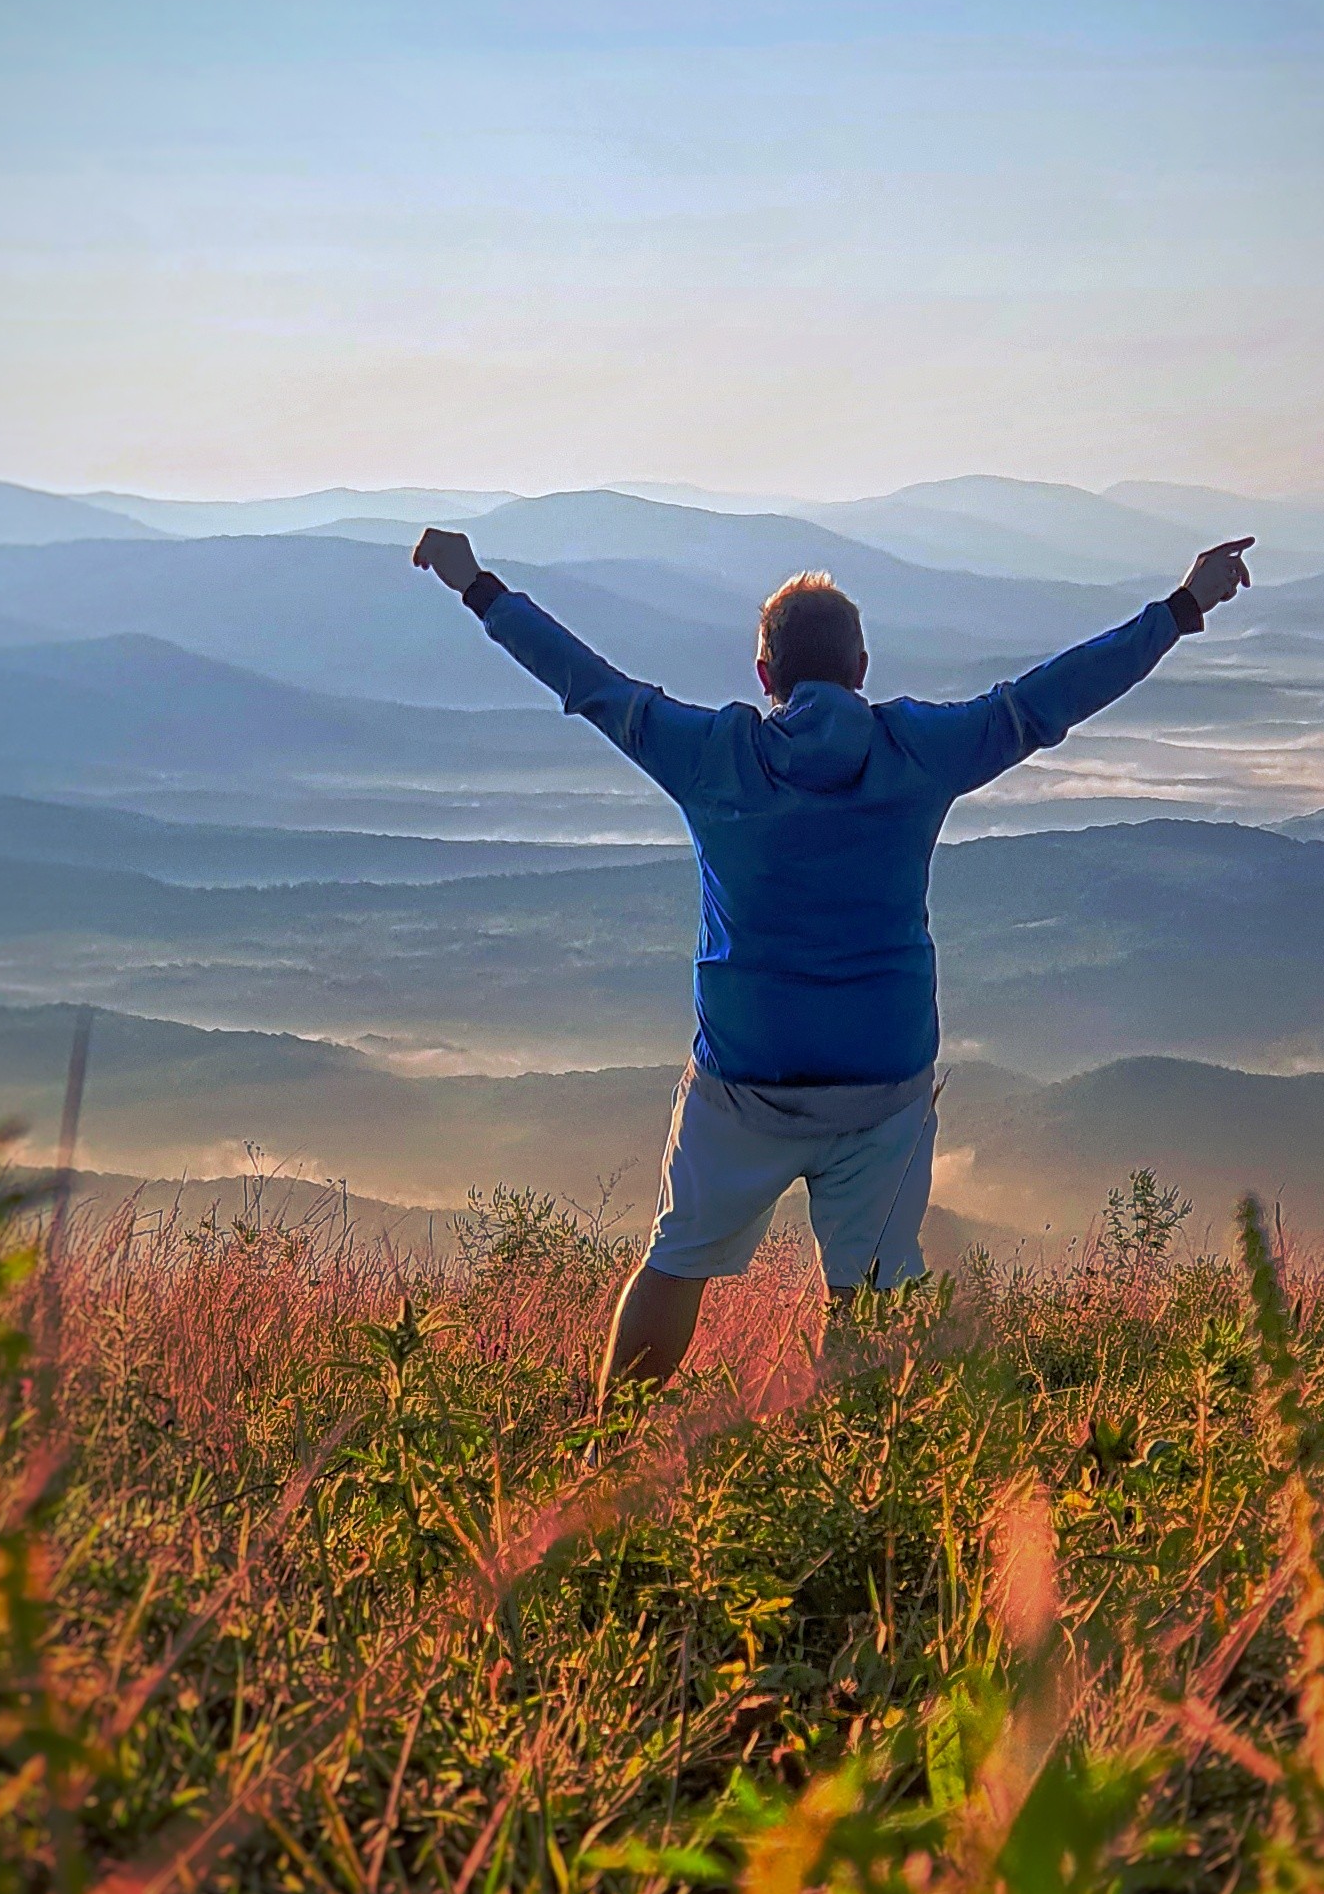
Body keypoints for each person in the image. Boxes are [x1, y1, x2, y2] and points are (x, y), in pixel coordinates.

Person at [412, 523, 1253, 1396]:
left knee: (676, 1262)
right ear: (860, 669)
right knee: (872, 1298)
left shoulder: (713, 757)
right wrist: (1183, 605)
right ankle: (853, 1471)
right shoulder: (916, 750)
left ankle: (603, 1451)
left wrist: (477, 587)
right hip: (881, 1082)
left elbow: (586, 682)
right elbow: (1047, 699)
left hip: (742, 1077)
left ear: (765, 678)